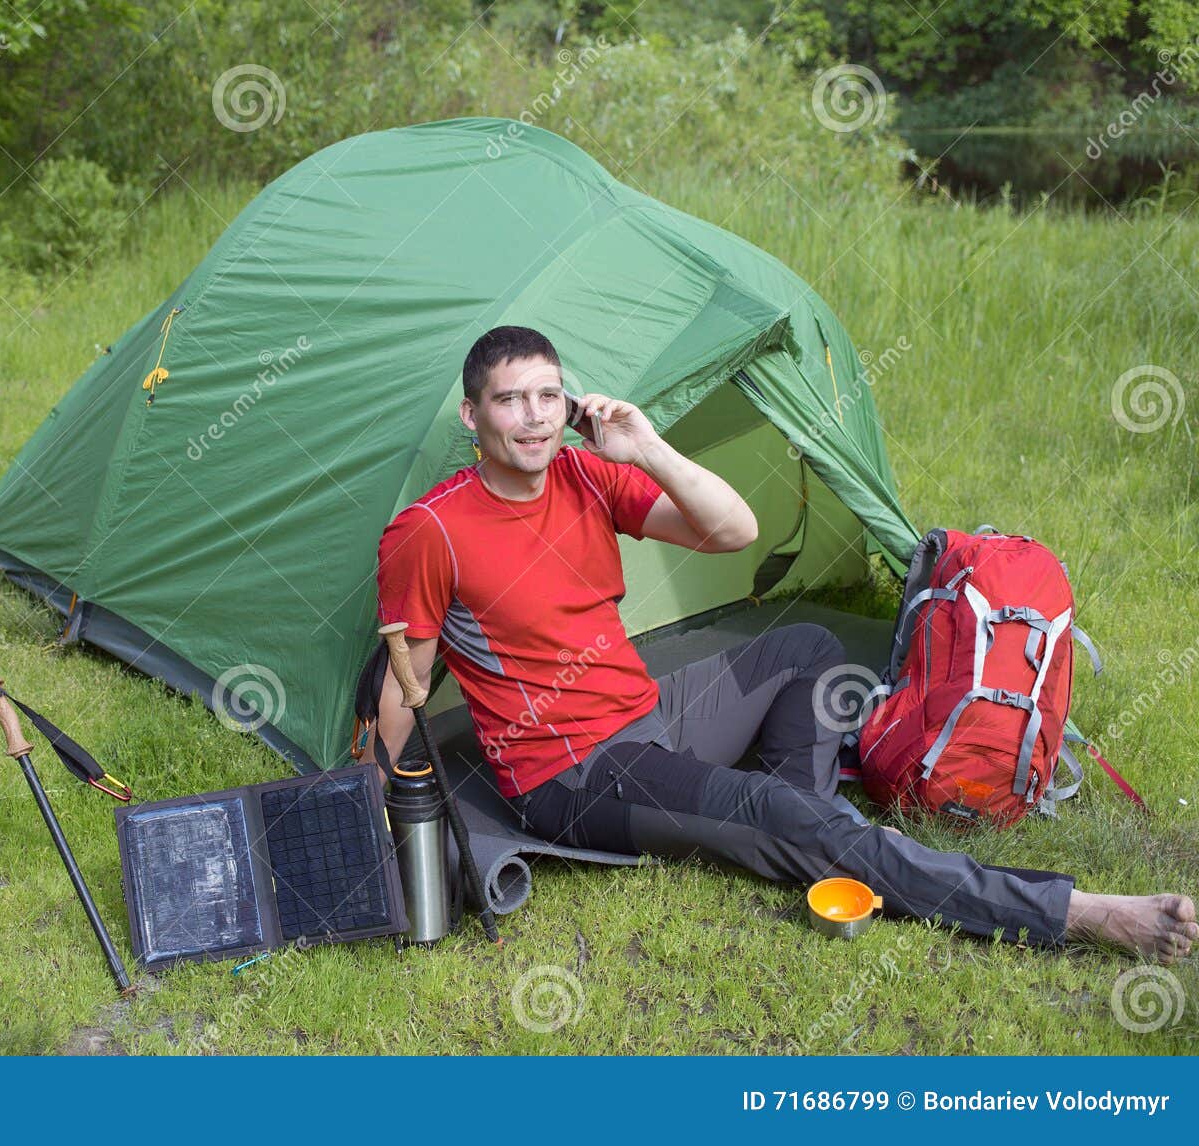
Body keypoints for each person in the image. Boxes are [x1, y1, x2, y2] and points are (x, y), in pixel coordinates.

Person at [362, 325, 1195, 963]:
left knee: (805, 645)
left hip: (649, 712)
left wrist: (647, 446)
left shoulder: (586, 474)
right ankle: (1080, 911)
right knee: (779, 812)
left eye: (549, 396)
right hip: (571, 771)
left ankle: (816, 833)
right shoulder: (431, 531)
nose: (534, 418)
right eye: (511, 401)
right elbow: (409, 682)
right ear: (473, 415)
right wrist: (364, 805)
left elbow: (735, 531)